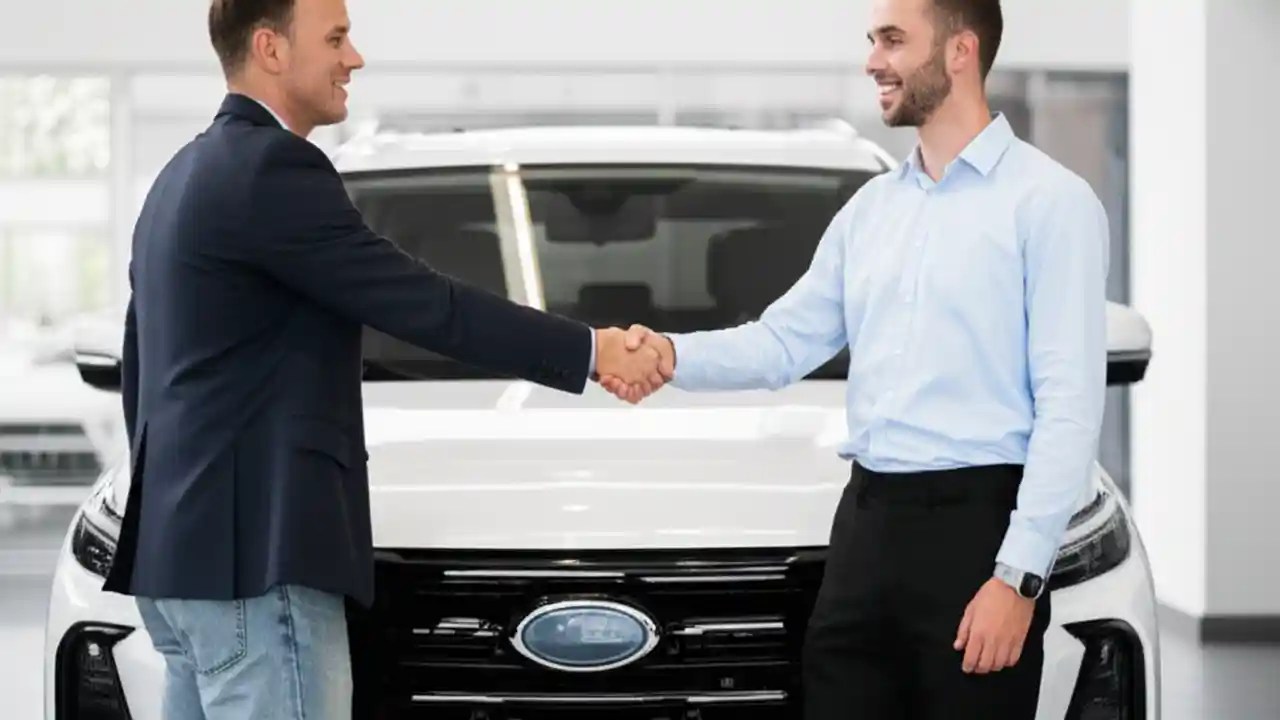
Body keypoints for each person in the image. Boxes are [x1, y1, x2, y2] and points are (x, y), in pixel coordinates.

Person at [102, 0, 665, 718]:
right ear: (272, 49)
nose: (354, 57)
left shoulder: (180, 176)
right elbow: (422, 303)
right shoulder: (273, 168)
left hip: (183, 568)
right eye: (335, 38)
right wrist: (592, 349)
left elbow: (141, 370)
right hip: (257, 568)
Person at [602, 0, 1109, 717]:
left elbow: (1070, 406)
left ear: (960, 51)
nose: (873, 59)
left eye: (894, 40)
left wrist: (1019, 579)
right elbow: (782, 344)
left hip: (975, 534)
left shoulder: (1051, 204)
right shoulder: (870, 211)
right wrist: (664, 353)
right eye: (873, 40)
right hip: (865, 530)